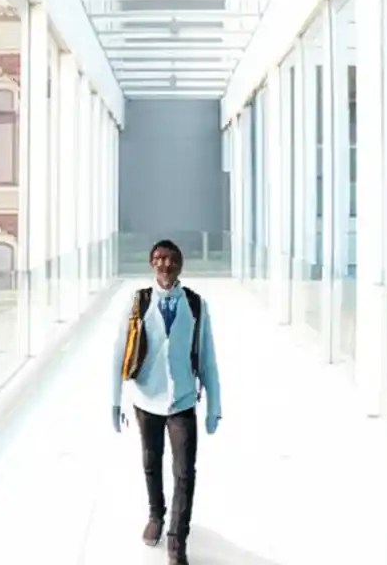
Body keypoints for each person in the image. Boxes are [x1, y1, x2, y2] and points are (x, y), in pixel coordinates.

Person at [111, 239, 221, 565]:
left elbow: (208, 360)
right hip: (146, 399)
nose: (165, 265)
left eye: (172, 259)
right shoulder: (138, 301)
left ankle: (177, 540)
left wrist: (214, 405)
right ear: (151, 264)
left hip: (183, 400)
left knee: (185, 471)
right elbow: (119, 353)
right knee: (151, 461)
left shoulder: (196, 305)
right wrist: (114, 402)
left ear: (180, 265)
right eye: (159, 258)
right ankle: (156, 514)